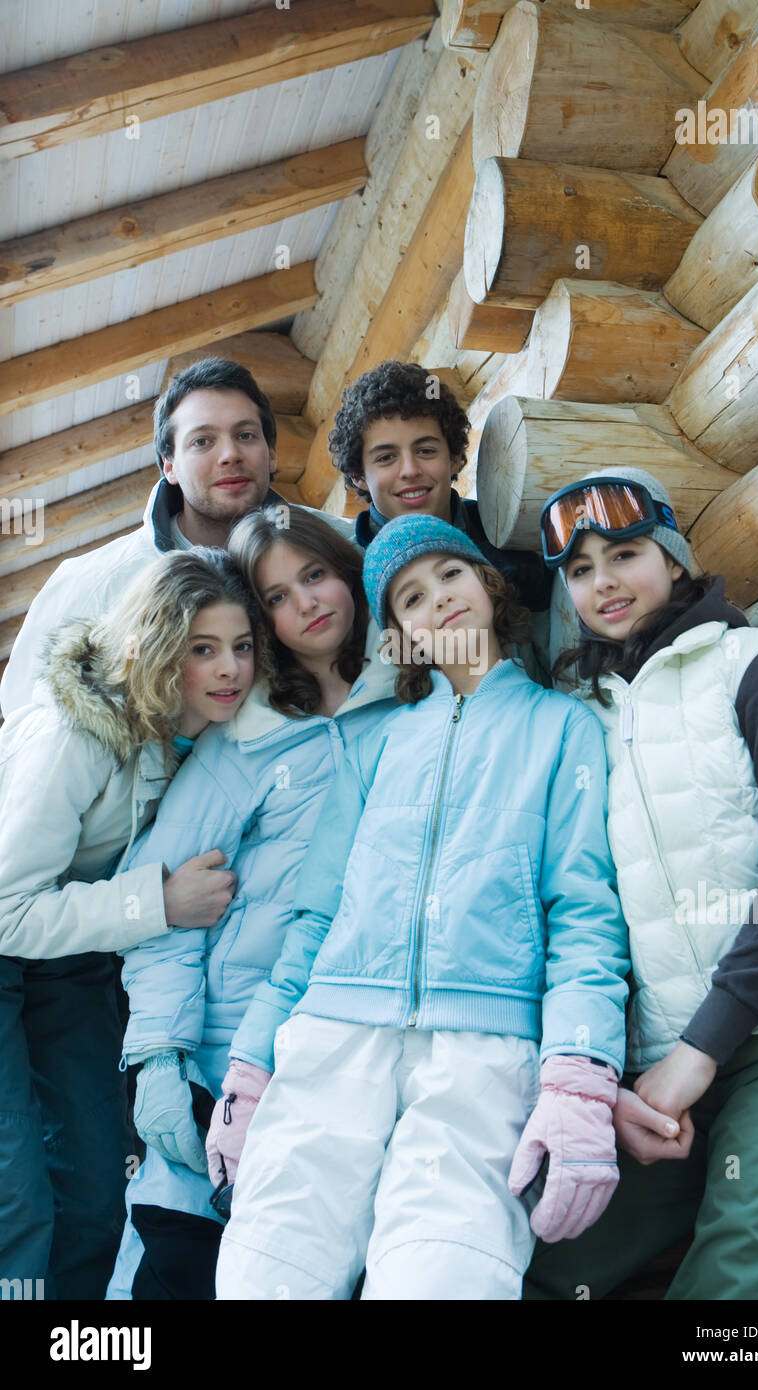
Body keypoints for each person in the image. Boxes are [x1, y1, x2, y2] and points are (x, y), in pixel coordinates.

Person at [213, 513, 630, 1301]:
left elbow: (584, 914)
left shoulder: (562, 727)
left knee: (442, 1279)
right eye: (409, 596)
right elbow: (316, 916)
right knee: (264, 1276)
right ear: (397, 631)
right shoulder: (372, 745)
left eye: (450, 575)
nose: (436, 599)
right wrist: (251, 1061)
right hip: (334, 1040)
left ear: (488, 585)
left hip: (484, 1052)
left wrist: (578, 1071)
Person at [524, 466, 758, 1300]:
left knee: (741, 1300)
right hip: (660, 1069)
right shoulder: (584, 715)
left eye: (626, 553)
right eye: (579, 570)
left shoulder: (751, 665)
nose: (602, 581)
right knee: (536, 1266)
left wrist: (698, 1053)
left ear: (673, 560)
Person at [106, 506, 398, 1301]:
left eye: (315, 575)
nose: (305, 603)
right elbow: (166, 908)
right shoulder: (248, 740)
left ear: (349, 573)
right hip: (220, 1057)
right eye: (276, 596)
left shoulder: (414, 713)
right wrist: (160, 1054)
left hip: (353, 1059)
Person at [0, 548, 262, 1300]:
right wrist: (159, 904)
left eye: (240, 647)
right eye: (202, 650)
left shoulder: (194, 736)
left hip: (70, 954)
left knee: (92, 1181)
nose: (229, 670)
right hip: (14, 932)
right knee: (16, 1193)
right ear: (152, 649)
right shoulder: (70, 738)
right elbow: (7, 909)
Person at [1, 357, 290, 718]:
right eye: (202, 441)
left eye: (245, 435)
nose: (230, 455)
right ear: (169, 465)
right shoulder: (92, 582)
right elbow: (25, 716)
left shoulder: (331, 555)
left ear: (273, 454)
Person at [329, 359, 553, 677]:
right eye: (386, 458)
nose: (409, 470)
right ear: (358, 476)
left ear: (455, 457)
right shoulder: (343, 569)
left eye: (426, 451)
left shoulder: (511, 542)